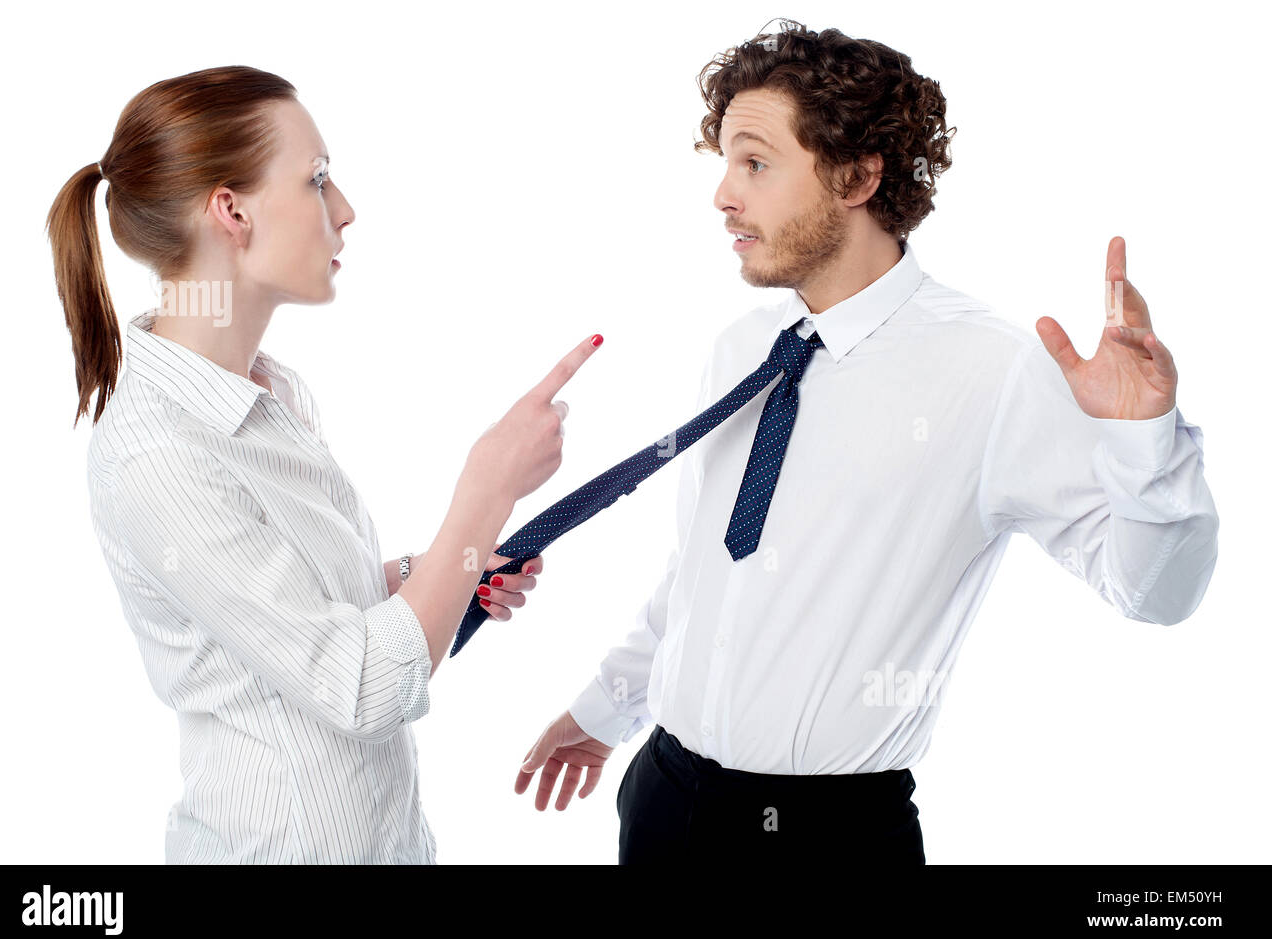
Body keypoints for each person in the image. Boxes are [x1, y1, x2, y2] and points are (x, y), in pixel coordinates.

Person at [515, 21, 1219, 863]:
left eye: (755, 162)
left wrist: (1144, 442)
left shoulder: (994, 370)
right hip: (662, 797)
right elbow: (703, 572)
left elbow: (1157, 594)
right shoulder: (742, 348)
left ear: (855, 175)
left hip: (831, 840)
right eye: (725, 164)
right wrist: (606, 709)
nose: (722, 197)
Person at [47, 65, 603, 863]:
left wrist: (430, 571)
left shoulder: (271, 391)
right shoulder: (156, 453)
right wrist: (486, 494)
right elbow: (359, 685)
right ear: (230, 211)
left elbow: (287, 615)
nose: (344, 209)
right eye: (315, 180)